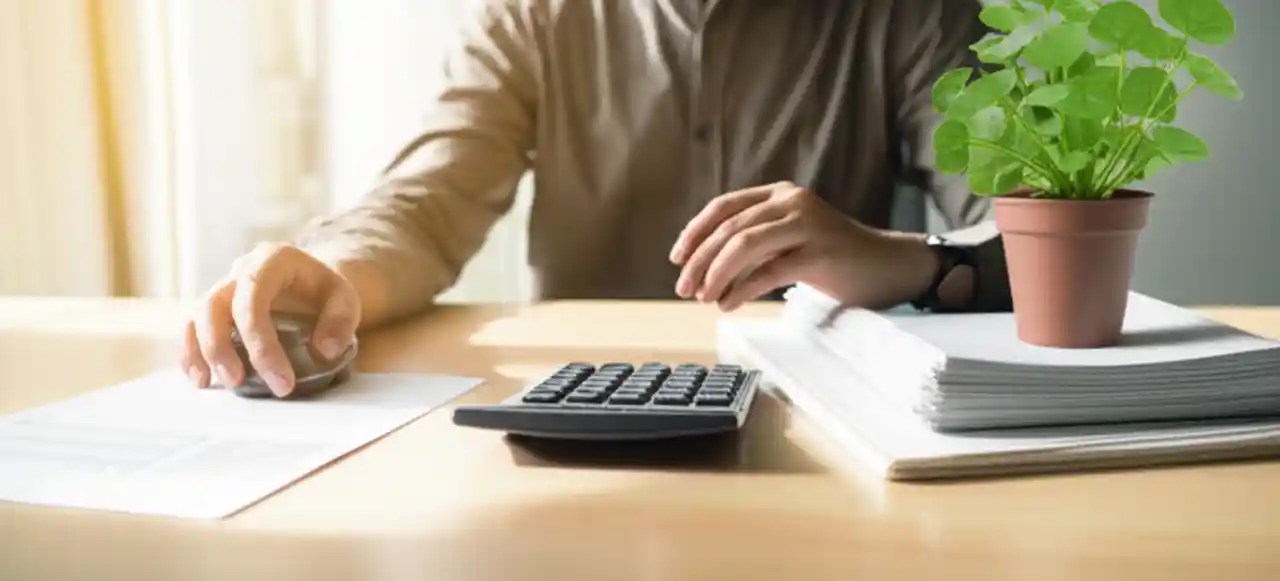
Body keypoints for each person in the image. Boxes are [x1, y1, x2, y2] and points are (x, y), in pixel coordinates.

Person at [182, 0, 1010, 398]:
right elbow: (427, 202)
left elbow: (1040, 240)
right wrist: (332, 272)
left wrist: (899, 260)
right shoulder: (532, 17)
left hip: (821, 416)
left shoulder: (917, 15)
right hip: (568, 413)